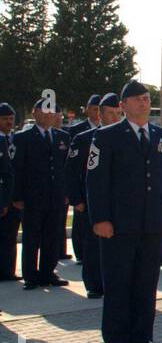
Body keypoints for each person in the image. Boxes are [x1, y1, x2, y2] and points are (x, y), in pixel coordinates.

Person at [86, 81, 162, 343]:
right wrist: (100, 218)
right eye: (137, 99)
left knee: (146, 281)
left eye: (147, 98)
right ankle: (117, 340)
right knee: (118, 282)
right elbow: (96, 181)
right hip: (119, 225)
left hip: (153, 223)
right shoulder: (106, 137)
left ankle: (142, 336)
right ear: (123, 105)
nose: (143, 103)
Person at [11, 98, 71, 289]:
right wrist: (17, 196)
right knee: (31, 237)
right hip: (32, 197)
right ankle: (30, 275)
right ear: (34, 113)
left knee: (52, 236)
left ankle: (48, 272)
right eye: (44, 111)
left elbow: (66, 168)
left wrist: (67, 192)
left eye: (52, 111)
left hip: (55, 196)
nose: (49, 115)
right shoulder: (23, 138)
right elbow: (17, 169)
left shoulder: (62, 137)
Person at [67, 94, 120, 298]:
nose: (115, 118)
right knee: (93, 247)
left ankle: (113, 284)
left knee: (116, 248)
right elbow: (71, 173)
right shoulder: (85, 139)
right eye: (110, 113)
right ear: (100, 114)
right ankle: (94, 285)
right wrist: (77, 200)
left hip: (118, 205)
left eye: (118, 113)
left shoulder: (125, 139)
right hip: (92, 203)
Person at [65, 94, 100, 264]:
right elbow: (71, 167)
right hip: (82, 186)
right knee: (81, 225)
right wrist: (75, 195)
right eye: (95, 109)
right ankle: (80, 253)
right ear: (87, 109)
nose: (98, 113)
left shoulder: (113, 131)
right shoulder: (78, 132)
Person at [0, 103, 17, 282]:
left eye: (11, 119)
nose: (9, 122)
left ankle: (8, 271)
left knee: (10, 236)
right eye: (5, 119)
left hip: (13, 197)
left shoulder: (16, 139)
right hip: (2, 195)